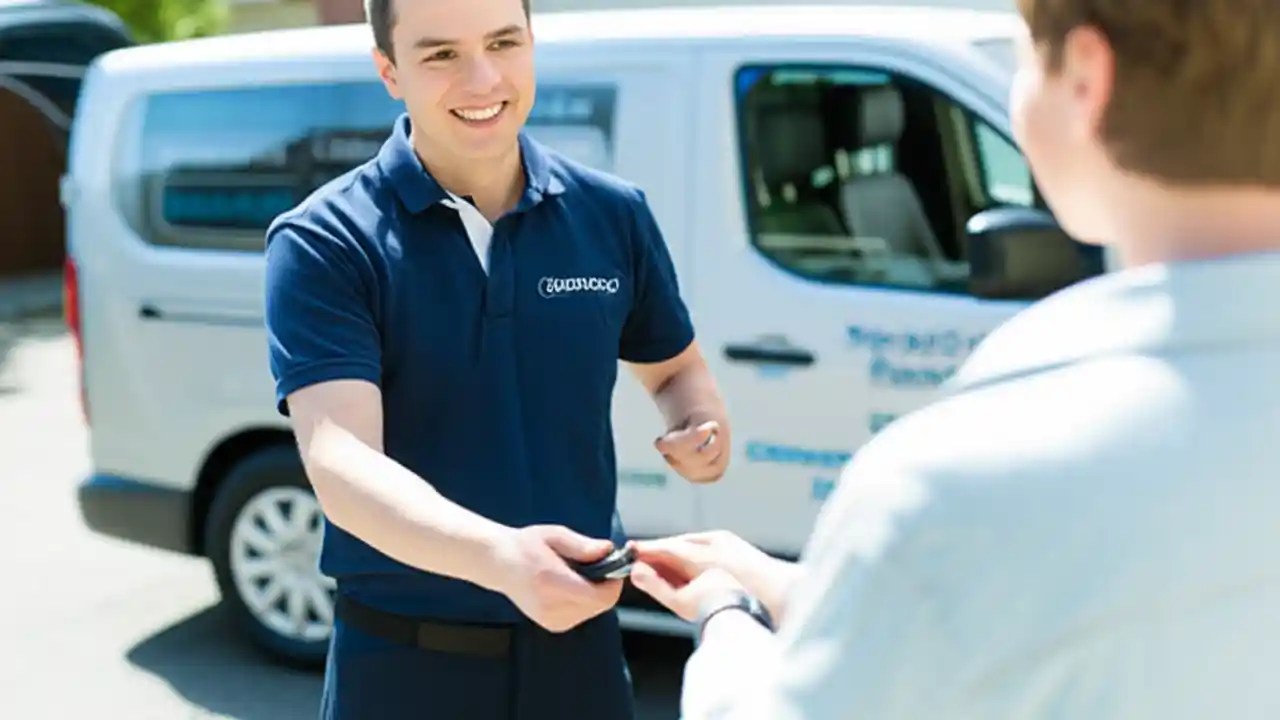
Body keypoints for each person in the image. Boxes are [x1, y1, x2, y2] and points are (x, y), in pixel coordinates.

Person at [627, 0, 1280, 717]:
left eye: (1026, 59)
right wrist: (805, 587)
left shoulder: (952, 483)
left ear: (1088, 78)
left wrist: (728, 615)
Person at [262, 0, 731, 717]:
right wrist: (500, 560)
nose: (483, 79)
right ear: (389, 70)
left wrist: (698, 424)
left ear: (532, 45)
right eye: (442, 55)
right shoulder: (326, 240)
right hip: (404, 671)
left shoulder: (612, 214)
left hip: (584, 663)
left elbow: (674, 370)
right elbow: (342, 465)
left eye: (503, 42)